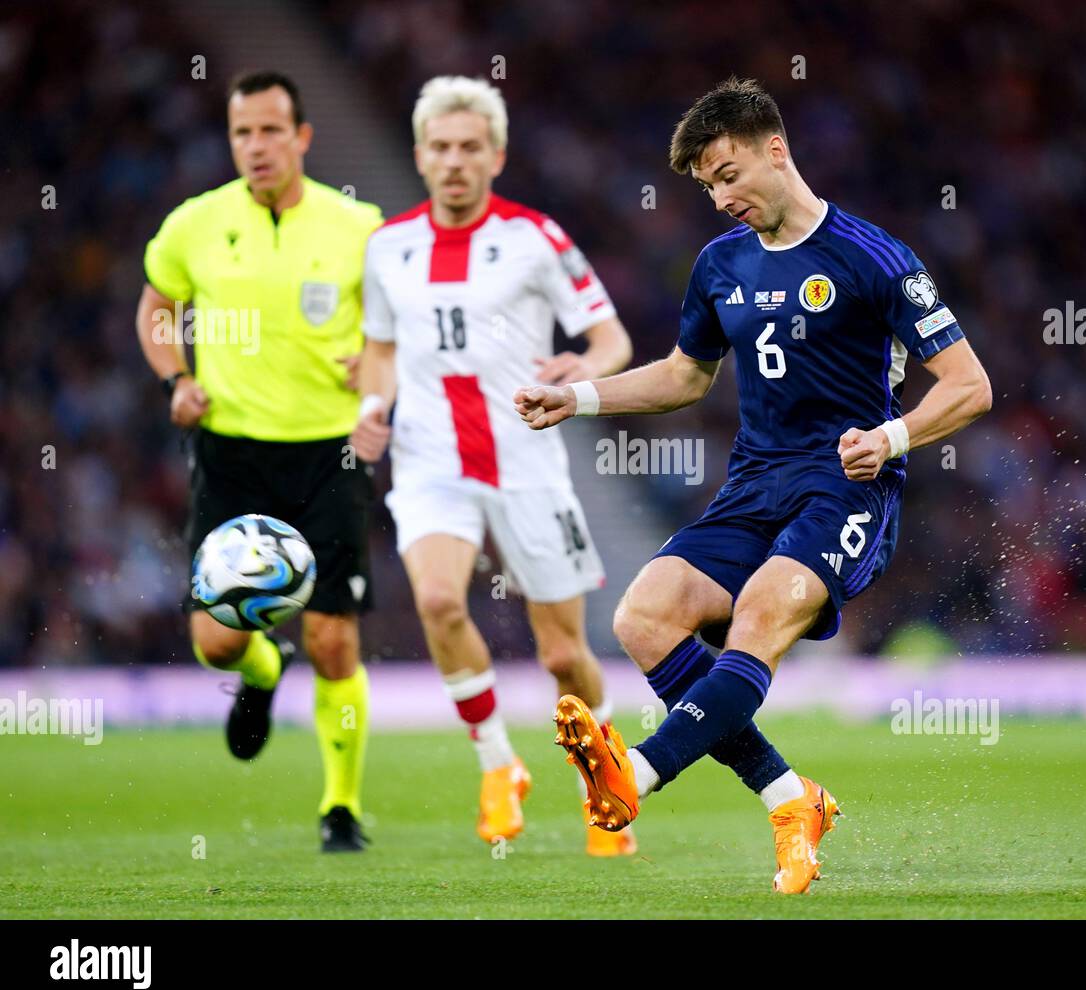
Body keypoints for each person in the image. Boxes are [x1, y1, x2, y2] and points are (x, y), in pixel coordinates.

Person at [515, 77, 993, 891]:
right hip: (753, 485)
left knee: (761, 611)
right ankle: (789, 797)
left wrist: (890, 436)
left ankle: (636, 771)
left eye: (728, 173)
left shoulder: (875, 257)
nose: (720, 197)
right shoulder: (717, 265)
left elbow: (969, 384)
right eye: (708, 186)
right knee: (643, 615)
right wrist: (580, 397)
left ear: (776, 150)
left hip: (846, 487)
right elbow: (684, 376)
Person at [350, 76, 637, 856]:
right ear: (418, 155)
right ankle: (498, 765)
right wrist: (372, 408)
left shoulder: (537, 237)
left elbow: (611, 338)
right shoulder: (387, 246)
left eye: (469, 147)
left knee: (561, 653)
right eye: (439, 148)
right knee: (439, 601)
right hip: (428, 457)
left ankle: (603, 783)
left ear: (496, 156)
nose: (453, 161)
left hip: (525, 454)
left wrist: (580, 370)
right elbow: (378, 350)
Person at [135, 71, 382, 852]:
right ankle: (260, 671)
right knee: (215, 639)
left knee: (335, 638)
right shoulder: (194, 225)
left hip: (330, 449)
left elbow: (393, 328)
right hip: (232, 450)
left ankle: (340, 807)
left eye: (272, 130)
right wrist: (176, 378)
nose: (257, 146)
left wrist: (372, 367)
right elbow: (156, 305)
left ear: (303, 136)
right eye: (243, 132)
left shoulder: (360, 226)